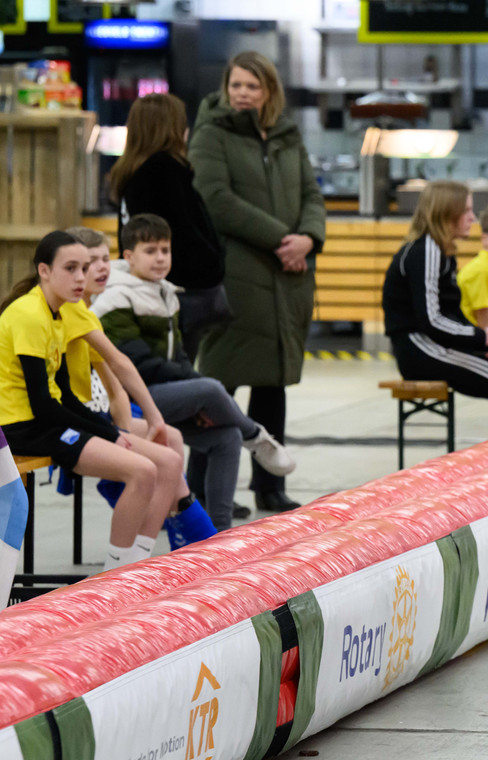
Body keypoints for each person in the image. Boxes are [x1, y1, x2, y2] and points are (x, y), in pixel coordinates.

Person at [0, 231, 184, 571]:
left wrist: (111, 430)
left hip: (51, 423)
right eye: (71, 268)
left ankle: (138, 567)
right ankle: (117, 575)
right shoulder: (30, 315)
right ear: (45, 271)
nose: (81, 277)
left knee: (166, 462)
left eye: (85, 267)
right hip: (25, 429)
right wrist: (110, 435)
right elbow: (43, 406)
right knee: (142, 470)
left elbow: (65, 398)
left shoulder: (59, 315)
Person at [91, 214, 296, 531]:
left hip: (162, 397)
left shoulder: (167, 293)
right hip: (129, 402)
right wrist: (196, 392)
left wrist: (193, 394)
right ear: (128, 256)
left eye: (165, 250)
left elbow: (180, 358)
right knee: (212, 389)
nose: (160, 258)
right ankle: (255, 436)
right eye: (151, 251)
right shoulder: (116, 297)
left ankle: (219, 532)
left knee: (225, 436)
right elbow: (140, 365)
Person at [189, 50, 325, 513]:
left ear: (269, 91)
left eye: (252, 86)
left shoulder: (287, 136)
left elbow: (311, 192)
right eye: (236, 85)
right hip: (239, 276)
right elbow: (214, 198)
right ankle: (202, 488)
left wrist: (308, 238)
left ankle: (269, 485)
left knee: (273, 383)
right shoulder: (212, 133)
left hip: (287, 278)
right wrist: (281, 239)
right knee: (219, 386)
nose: (243, 94)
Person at [65, 226, 216, 548]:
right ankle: (159, 553)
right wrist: (120, 434)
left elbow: (116, 382)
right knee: (166, 458)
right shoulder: (72, 312)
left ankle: (184, 541)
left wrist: (140, 422)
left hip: (101, 413)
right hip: (73, 422)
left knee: (172, 437)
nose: (102, 268)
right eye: (90, 262)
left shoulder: (86, 311)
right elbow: (122, 368)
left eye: (106, 259)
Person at [381, 181, 488, 438]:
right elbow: (432, 319)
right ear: (446, 213)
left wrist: (483, 344)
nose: (472, 218)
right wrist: (482, 338)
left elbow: (451, 314)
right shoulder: (425, 250)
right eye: (467, 211)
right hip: (421, 349)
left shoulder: (443, 251)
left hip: (438, 344)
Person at [108, 93, 229, 364]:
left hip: (147, 289)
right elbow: (185, 233)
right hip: (179, 293)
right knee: (178, 375)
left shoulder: (130, 172)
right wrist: (214, 265)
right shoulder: (165, 171)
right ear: (170, 127)